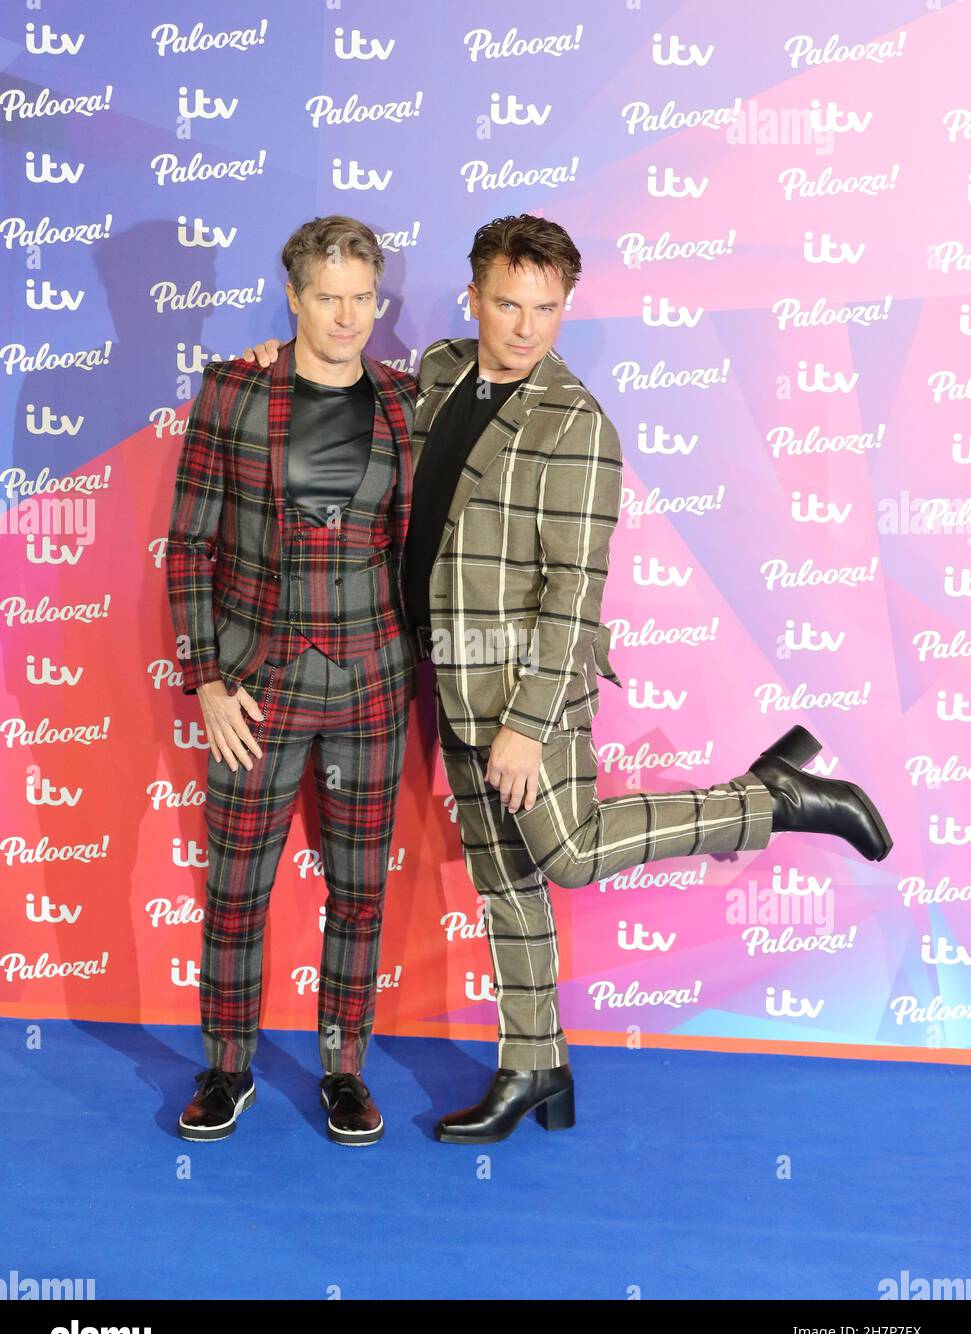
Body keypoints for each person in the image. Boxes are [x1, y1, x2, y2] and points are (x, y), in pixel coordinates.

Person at [241, 213, 893, 1145]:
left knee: (568, 851)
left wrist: (527, 726)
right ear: (474, 299)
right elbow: (357, 394)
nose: (525, 327)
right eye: (507, 304)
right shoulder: (436, 372)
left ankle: (775, 796)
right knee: (506, 882)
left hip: (521, 691)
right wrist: (288, 358)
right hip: (444, 677)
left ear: (565, 306)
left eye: (546, 309)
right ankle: (533, 1065)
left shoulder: (579, 425)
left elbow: (574, 595)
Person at [165, 216, 418, 1145]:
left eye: (362, 297)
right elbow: (190, 543)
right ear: (293, 297)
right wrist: (205, 680)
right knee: (237, 888)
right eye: (328, 297)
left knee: (358, 890)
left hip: (371, 684)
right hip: (254, 685)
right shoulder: (234, 390)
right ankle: (227, 1066)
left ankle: (343, 1070)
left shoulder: (406, 401)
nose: (347, 316)